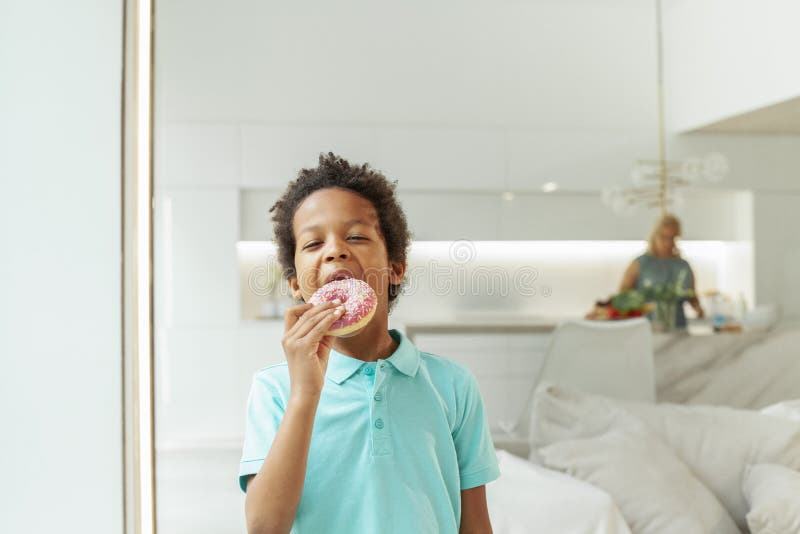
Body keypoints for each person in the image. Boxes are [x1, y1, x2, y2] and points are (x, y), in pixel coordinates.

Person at [239, 153, 499, 534]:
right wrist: (305, 394)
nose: (334, 250)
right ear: (296, 282)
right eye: (313, 244)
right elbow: (264, 527)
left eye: (356, 236)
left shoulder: (453, 385)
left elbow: (475, 524)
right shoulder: (275, 390)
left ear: (395, 267)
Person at [619, 213, 705, 328]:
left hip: (678, 328)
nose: (668, 243)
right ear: (654, 236)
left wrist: (698, 309)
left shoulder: (683, 266)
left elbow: (692, 296)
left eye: (673, 238)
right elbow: (622, 294)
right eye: (664, 237)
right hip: (646, 327)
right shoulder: (639, 264)